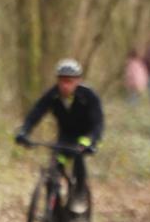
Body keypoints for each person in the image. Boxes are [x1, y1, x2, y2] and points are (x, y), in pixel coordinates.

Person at [15, 59, 104, 212]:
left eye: (69, 81)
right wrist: (24, 131)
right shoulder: (53, 94)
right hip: (65, 136)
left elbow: (98, 123)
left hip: (86, 135)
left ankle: (79, 194)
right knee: (53, 172)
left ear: (78, 81)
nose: (64, 85)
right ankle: (52, 218)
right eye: (61, 81)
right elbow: (36, 113)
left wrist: (91, 142)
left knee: (78, 155)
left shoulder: (89, 96)